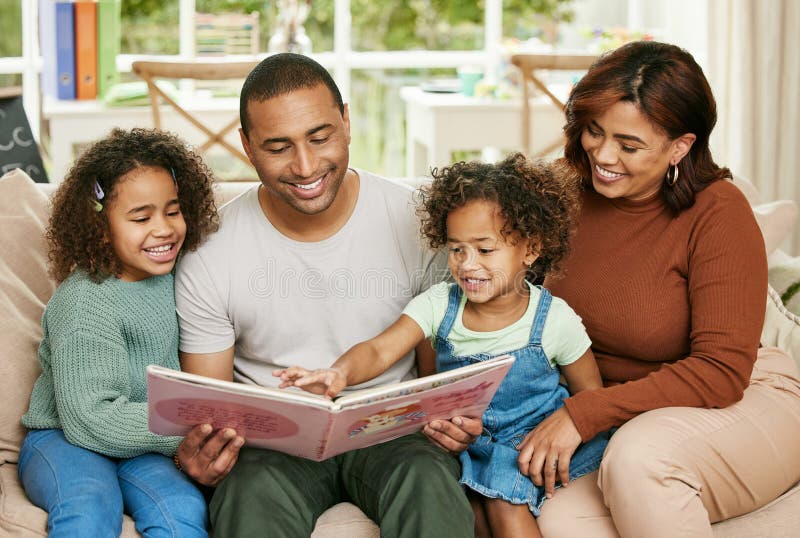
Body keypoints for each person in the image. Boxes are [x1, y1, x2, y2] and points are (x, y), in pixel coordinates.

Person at [172, 52, 478, 537]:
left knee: (428, 481)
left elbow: (433, 375)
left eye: (320, 137)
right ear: (247, 147)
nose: (306, 165)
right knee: (248, 499)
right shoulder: (209, 251)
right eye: (278, 147)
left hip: (392, 432)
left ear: (347, 121)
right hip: (271, 448)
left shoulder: (418, 222)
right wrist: (202, 453)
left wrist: (450, 423)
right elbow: (211, 411)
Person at [516, 41, 800, 537]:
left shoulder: (718, 212)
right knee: (560, 520)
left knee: (639, 456)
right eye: (594, 131)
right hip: (630, 416)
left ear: (679, 147)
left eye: (628, 145)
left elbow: (721, 372)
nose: (603, 155)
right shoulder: (561, 195)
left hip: (743, 399)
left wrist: (584, 413)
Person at [276, 154, 610, 538]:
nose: (467, 265)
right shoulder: (439, 303)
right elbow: (381, 349)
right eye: (456, 249)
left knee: (504, 506)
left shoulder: (554, 320)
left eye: (485, 250)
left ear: (530, 249)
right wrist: (339, 373)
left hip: (530, 443)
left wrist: (563, 433)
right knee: (456, 509)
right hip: (462, 444)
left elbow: (591, 394)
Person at [19, 128, 219, 537]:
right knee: (89, 505)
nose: (163, 229)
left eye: (173, 210)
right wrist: (191, 425)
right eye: (141, 217)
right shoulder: (84, 302)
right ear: (101, 227)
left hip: (141, 442)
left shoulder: (183, 279)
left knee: (181, 509)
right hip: (64, 439)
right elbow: (90, 420)